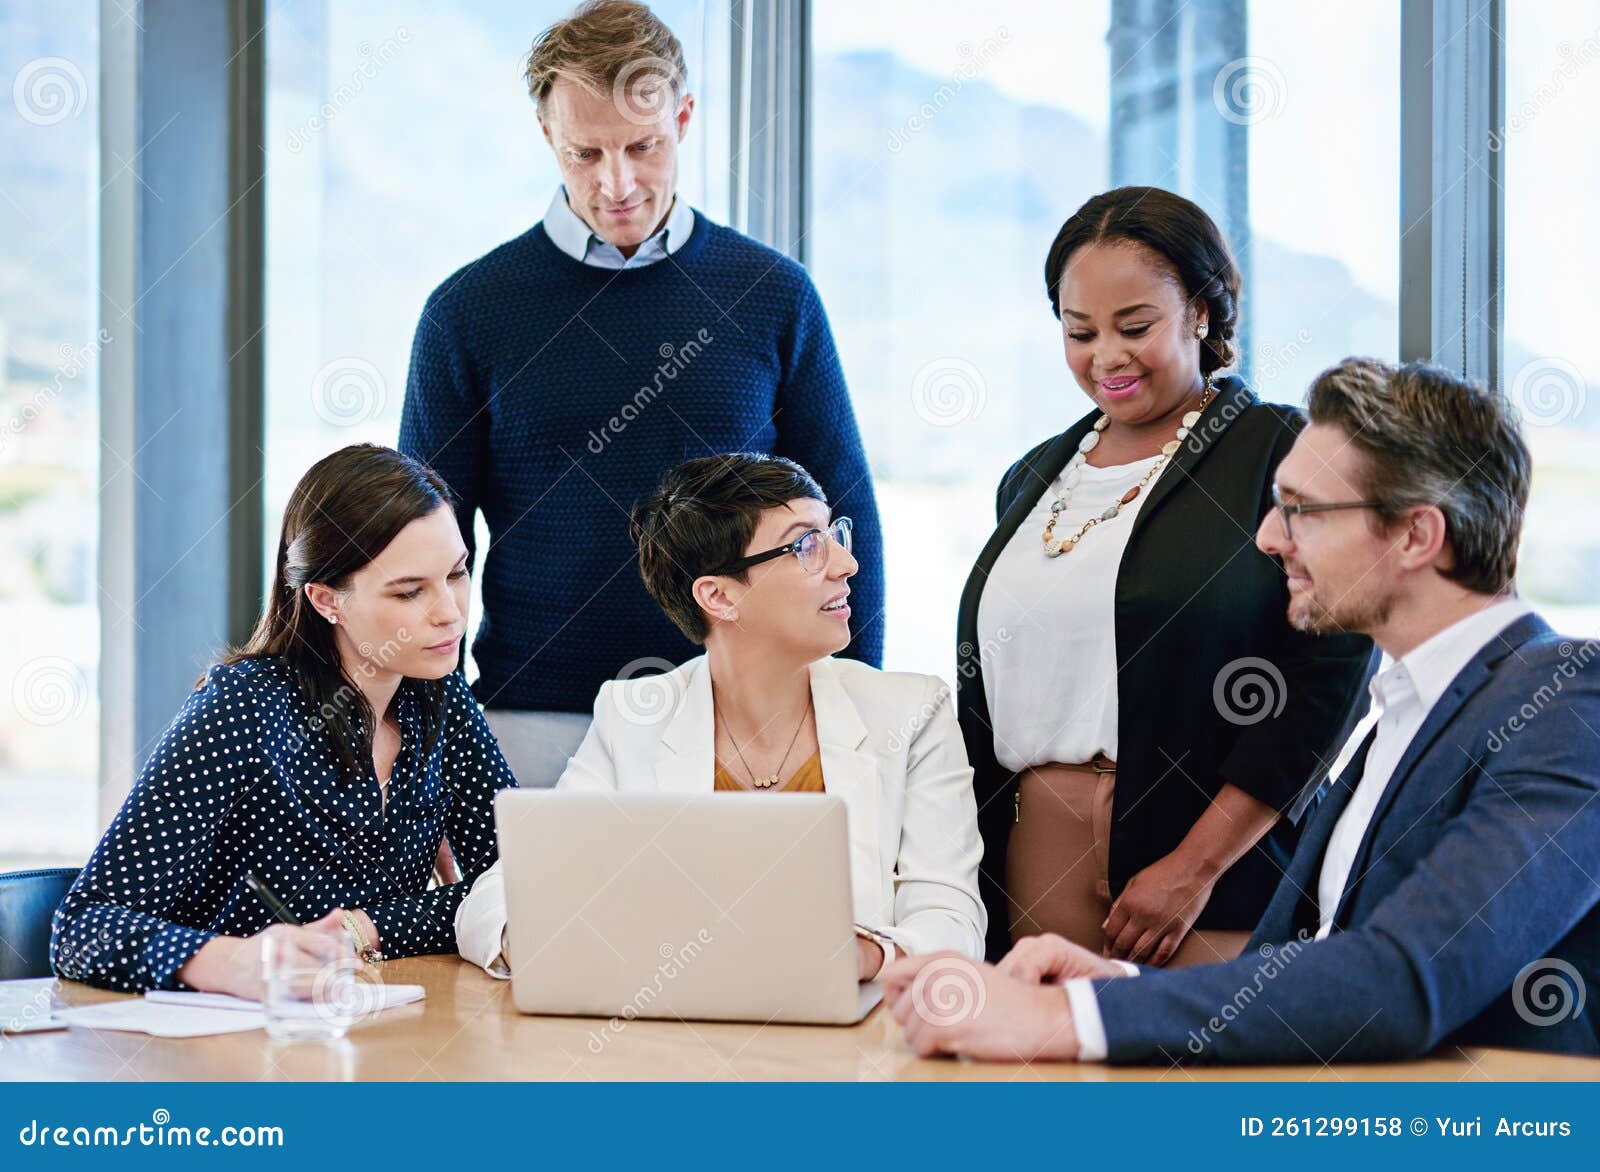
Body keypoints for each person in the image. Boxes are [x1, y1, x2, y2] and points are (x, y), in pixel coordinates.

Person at [886, 358, 1600, 1062]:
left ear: (1416, 535)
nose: (1268, 538)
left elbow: (1406, 978)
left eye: (1303, 511)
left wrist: (1070, 1014)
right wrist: (1122, 987)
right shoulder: (1405, 714)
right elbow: (1318, 965)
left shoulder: (1567, 704)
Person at [399, 0, 884, 788]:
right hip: (531, 721)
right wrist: (428, 739)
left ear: (684, 119)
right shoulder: (469, 312)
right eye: (585, 153)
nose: (617, 182)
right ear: (546, 136)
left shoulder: (772, 294)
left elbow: (846, 515)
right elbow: (420, 550)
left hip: (743, 709)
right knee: (528, 919)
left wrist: (853, 708)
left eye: (643, 146)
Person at [959, 186, 1373, 968]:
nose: (1105, 356)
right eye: (1079, 332)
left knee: (1197, 1086)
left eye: (1135, 326)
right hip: (1032, 842)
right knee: (1043, 1083)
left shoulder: (1281, 452)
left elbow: (1330, 676)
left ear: (1203, 312)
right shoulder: (1030, 479)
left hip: (1206, 861)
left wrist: (1196, 868)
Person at [456, 453, 983, 980]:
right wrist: (580, 946)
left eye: (834, 534)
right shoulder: (633, 719)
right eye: (807, 545)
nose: (847, 564)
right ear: (719, 596)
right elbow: (498, 899)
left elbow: (951, 916)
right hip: (676, 1039)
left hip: (861, 1035)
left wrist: (864, 956)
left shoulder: (912, 713)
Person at [51, 445, 517, 997]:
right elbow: (83, 926)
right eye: (410, 591)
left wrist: (364, 928)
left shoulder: (442, 696)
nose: (451, 612)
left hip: (372, 1031)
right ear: (325, 600)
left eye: (458, 573)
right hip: (227, 1050)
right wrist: (230, 961)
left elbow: (518, 887)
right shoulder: (241, 708)